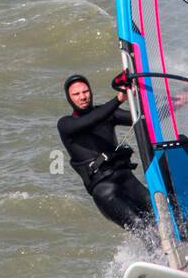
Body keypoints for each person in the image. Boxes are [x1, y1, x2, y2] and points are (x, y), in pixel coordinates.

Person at [57, 74, 154, 236]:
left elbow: (143, 119)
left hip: (128, 181)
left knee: (163, 213)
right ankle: (159, 258)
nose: (82, 97)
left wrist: (176, 102)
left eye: (85, 91)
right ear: (69, 98)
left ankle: (187, 250)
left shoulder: (107, 113)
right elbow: (90, 120)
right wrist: (118, 99)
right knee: (143, 228)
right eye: (76, 94)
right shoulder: (66, 124)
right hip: (106, 192)